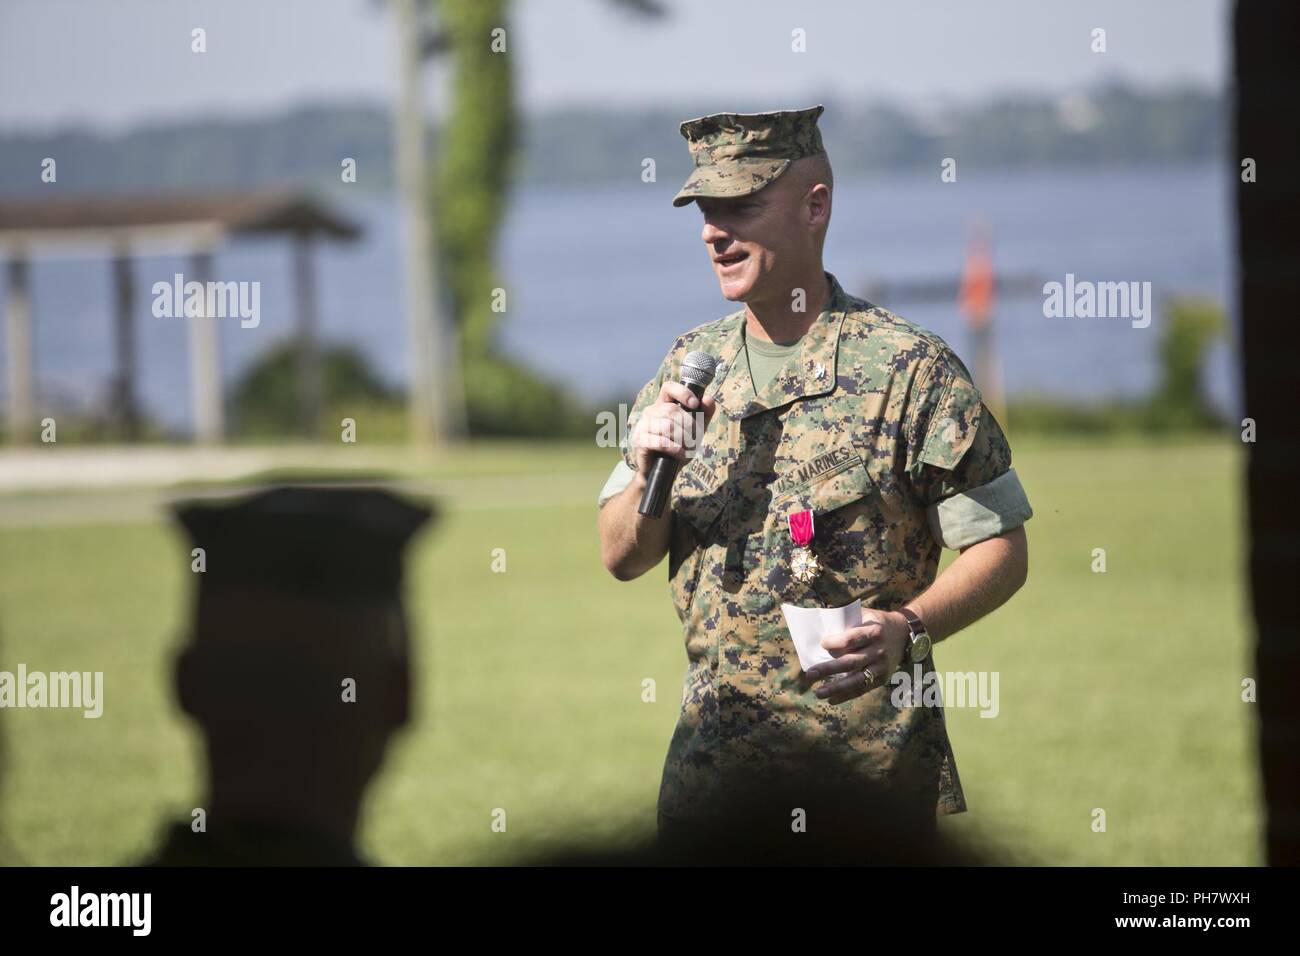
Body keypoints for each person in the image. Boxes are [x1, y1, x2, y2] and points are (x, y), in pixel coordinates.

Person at [596, 105, 1033, 844]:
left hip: (865, 788)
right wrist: (648, 474)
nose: (713, 230)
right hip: (713, 786)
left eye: (740, 205)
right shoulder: (688, 366)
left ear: (815, 207)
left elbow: (1000, 548)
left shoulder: (906, 369)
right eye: (706, 210)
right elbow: (621, 556)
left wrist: (908, 629)